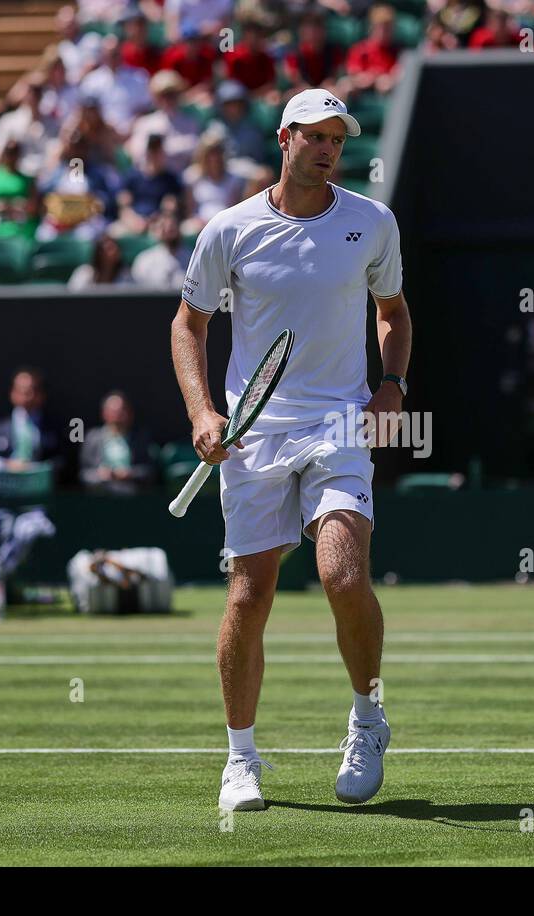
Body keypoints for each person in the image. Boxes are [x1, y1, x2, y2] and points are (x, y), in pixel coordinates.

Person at [171, 88, 410, 812]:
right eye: (317, 136)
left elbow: (392, 313)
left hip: (338, 427)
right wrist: (202, 412)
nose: (330, 149)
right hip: (253, 437)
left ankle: (368, 719)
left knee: (342, 574)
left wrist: (393, 384)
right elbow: (188, 326)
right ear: (285, 138)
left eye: (339, 139)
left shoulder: (372, 223)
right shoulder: (229, 229)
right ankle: (240, 759)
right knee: (250, 593)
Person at [79, 391, 157, 494]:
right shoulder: (92, 438)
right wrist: (100, 475)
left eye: (122, 412)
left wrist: (129, 474)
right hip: (100, 497)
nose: (118, 417)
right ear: (104, 413)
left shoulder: (141, 438)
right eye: (114, 412)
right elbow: (84, 475)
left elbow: (149, 472)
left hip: (132, 497)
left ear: (130, 413)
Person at [0, 368, 60, 471]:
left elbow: (60, 460)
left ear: (42, 394)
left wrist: (31, 467)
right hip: (5, 482)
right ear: (12, 393)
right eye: (21, 390)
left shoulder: (55, 427)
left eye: (32, 391)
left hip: (39, 481)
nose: (27, 396)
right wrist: (9, 464)